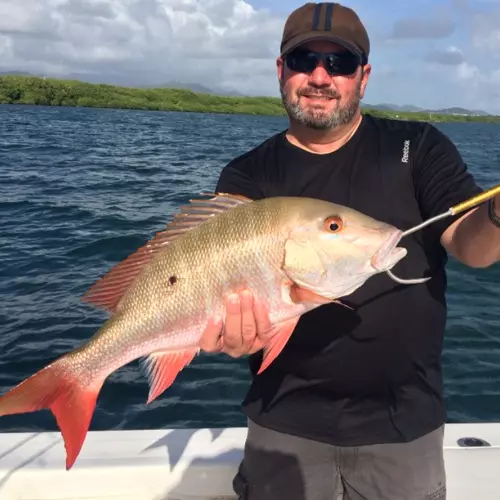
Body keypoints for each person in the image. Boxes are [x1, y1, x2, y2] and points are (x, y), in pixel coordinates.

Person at [199, 2, 500, 499]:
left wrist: (496, 214)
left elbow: (474, 248)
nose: (320, 76)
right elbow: (240, 314)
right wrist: (234, 337)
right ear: (281, 71)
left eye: (339, 63)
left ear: (364, 76)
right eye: (303, 61)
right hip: (283, 425)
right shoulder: (247, 175)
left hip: (404, 426)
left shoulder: (417, 146)